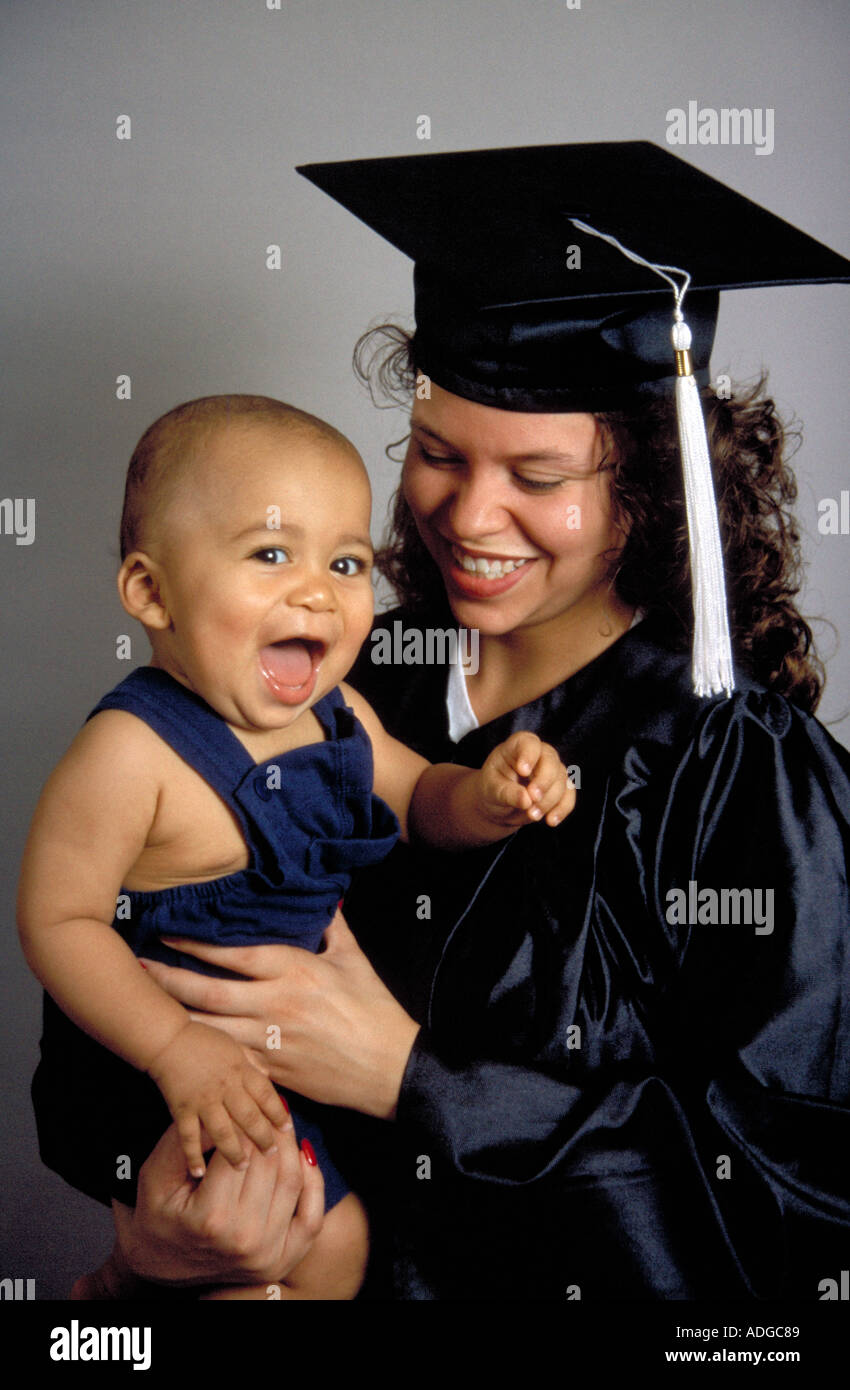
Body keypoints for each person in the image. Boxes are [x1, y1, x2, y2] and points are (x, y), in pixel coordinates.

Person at [77, 142, 850, 1300]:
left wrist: (409, 1076)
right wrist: (148, 1243)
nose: (468, 513)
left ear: (647, 492)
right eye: (438, 453)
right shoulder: (333, 686)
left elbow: (792, 1203)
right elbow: (122, 980)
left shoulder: (735, 773)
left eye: (537, 477)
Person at [17, 392, 573, 1300]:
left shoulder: (339, 714)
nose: (317, 590)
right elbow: (58, 920)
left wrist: (487, 796)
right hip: (154, 1058)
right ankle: (115, 1294)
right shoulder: (130, 753)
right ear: (151, 592)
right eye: (272, 554)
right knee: (247, 1242)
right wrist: (174, 1049)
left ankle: (131, 1292)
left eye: (346, 563)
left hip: (275, 1059)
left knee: (337, 1245)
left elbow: (418, 800)